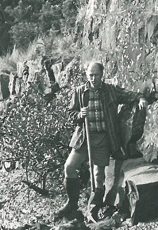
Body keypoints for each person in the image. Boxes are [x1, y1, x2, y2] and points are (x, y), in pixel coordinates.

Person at [56, 61, 147, 221]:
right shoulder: (79, 92)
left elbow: (129, 95)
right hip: (83, 138)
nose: (93, 78)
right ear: (86, 75)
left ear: (102, 75)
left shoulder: (110, 91)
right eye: (90, 75)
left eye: (96, 75)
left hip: (103, 139)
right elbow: (70, 112)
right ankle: (72, 203)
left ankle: (93, 210)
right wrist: (79, 115)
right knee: (69, 167)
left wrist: (140, 98)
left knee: (98, 175)